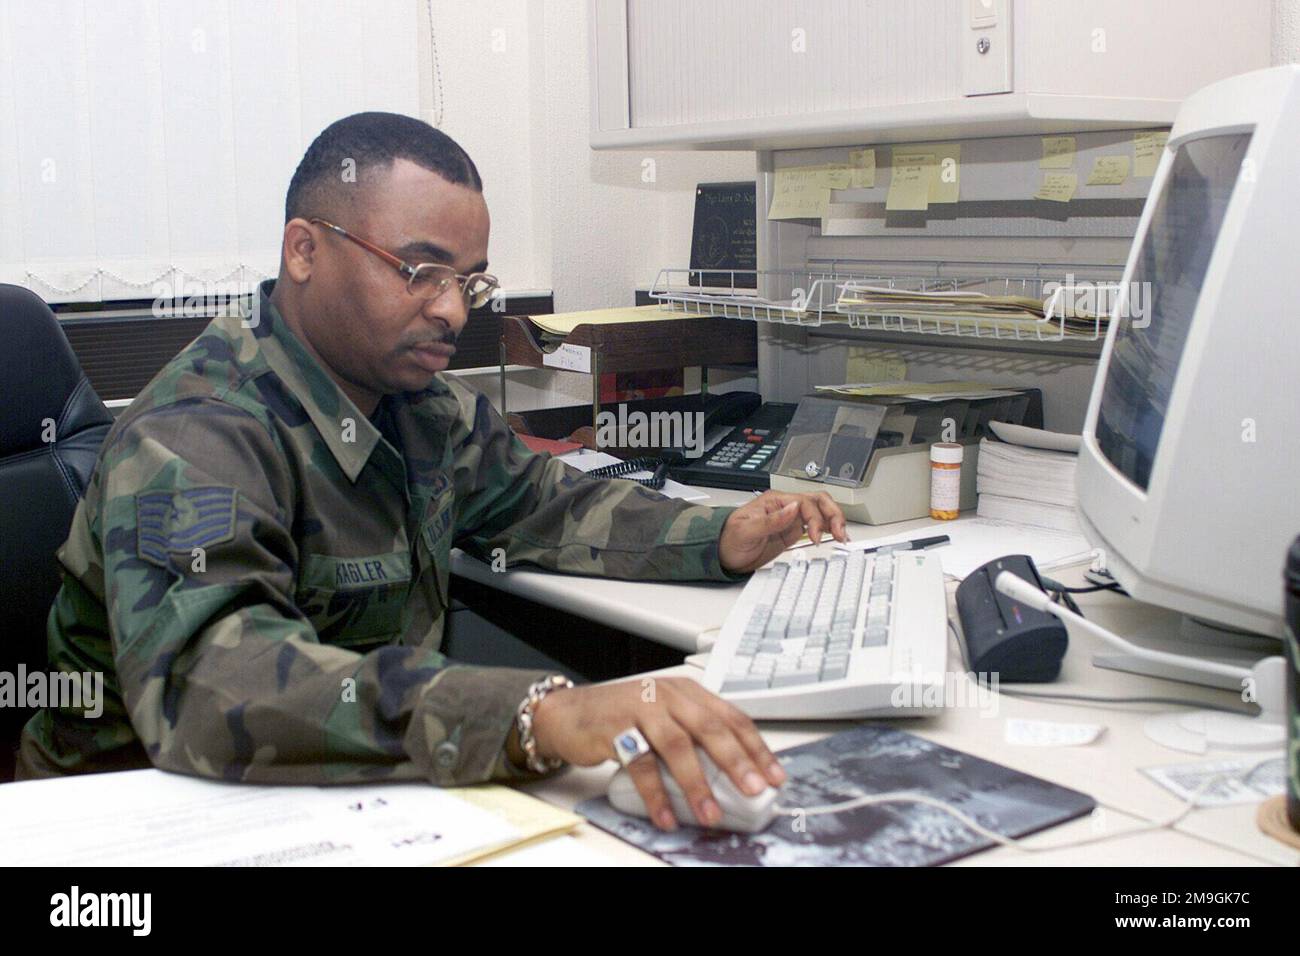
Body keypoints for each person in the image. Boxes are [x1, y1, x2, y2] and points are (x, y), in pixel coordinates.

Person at [18, 112, 846, 832]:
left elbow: (547, 504)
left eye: (469, 281)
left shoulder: (415, 403)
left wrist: (720, 534)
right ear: (303, 250)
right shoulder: (196, 433)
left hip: (344, 796)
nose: (452, 309)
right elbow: (214, 682)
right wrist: (537, 715)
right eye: (419, 271)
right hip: (143, 821)